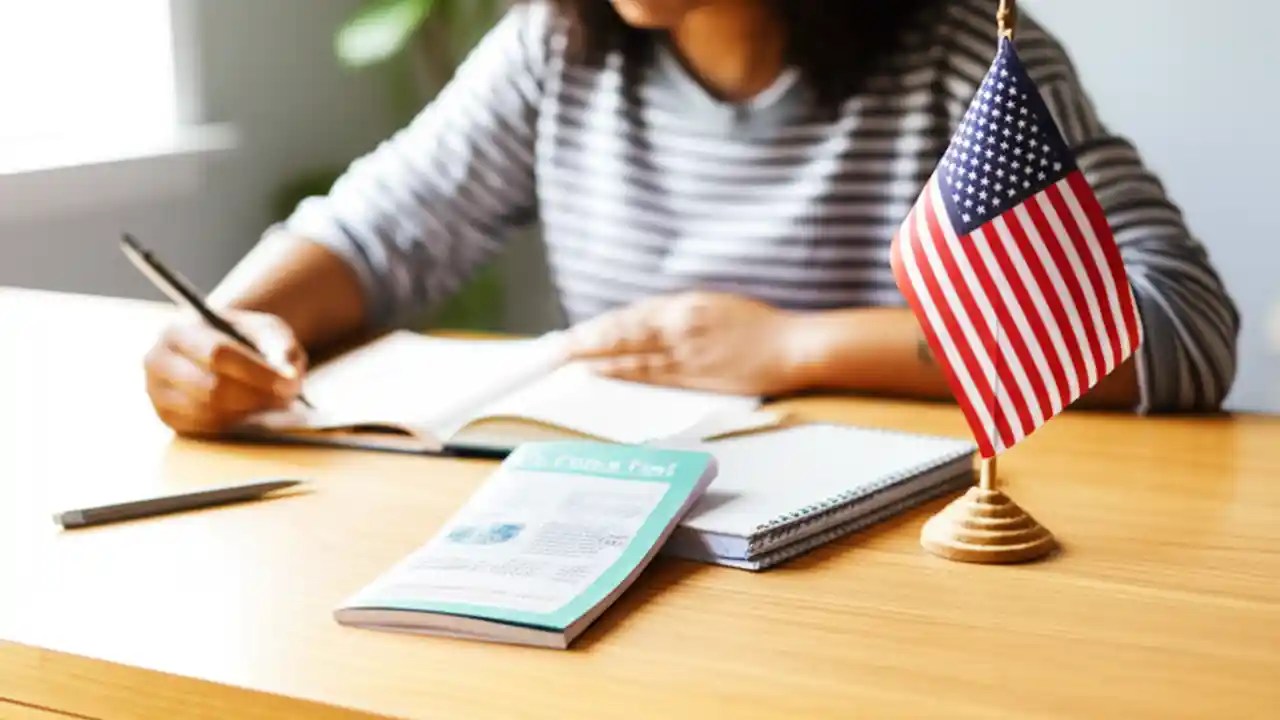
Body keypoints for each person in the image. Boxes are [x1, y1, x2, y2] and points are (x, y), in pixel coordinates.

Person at [143, 0, 1239, 435]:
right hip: (637, 531)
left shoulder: (966, 59)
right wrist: (222, 327)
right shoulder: (552, 49)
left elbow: (1178, 329)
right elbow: (377, 231)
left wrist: (796, 346)